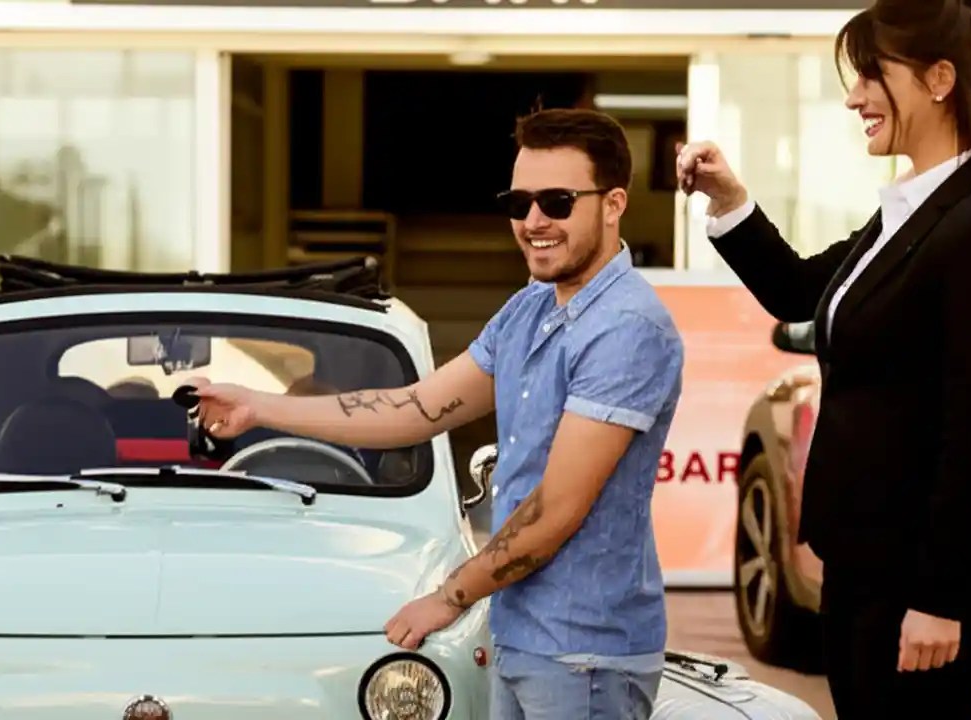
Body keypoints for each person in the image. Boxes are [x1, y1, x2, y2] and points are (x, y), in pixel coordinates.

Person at [187, 107, 684, 720]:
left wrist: (446, 601)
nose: (533, 221)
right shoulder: (530, 308)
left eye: (557, 201)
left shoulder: (627, 329)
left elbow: (556, 512)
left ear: (613, 204)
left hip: (588, 657)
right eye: (518, 201)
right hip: (525, 634)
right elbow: (417, 408)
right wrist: (258, 406)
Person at [675, 0, 971, 717]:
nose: (854, 96)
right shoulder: (914, 210)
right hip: (860, 565)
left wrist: (937, 601)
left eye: (873, 75)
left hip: (915, 586)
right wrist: (732, 201)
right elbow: (802, 291)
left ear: (940, 79)